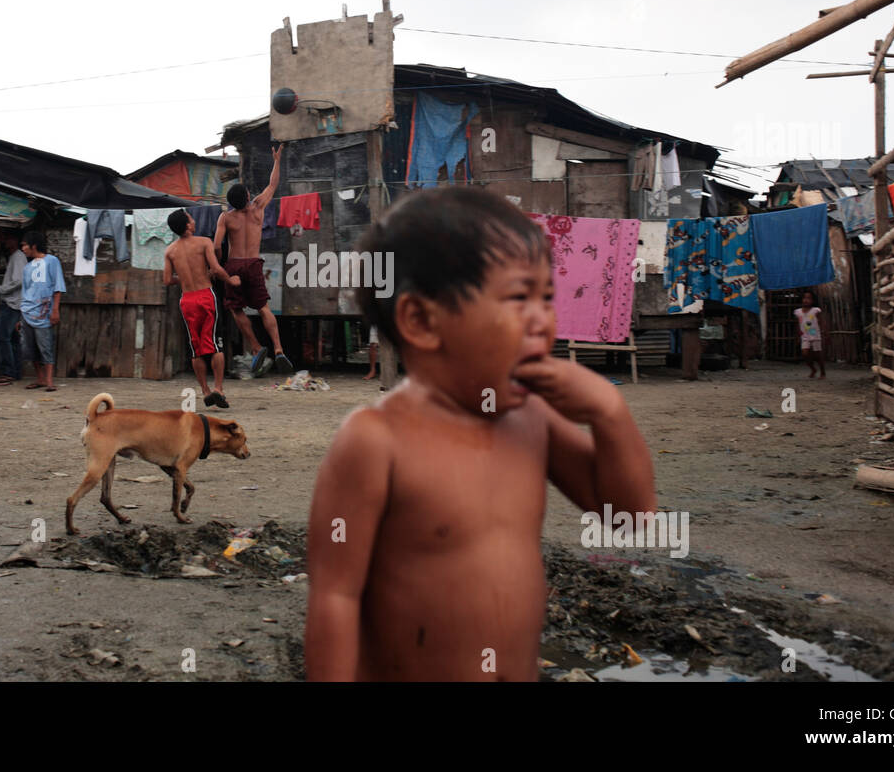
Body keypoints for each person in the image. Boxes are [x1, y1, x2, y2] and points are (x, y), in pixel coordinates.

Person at [303, 187, 656, 681]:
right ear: (422, 321)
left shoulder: (530, 418)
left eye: (547, 298)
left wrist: (609, 414)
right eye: (519, 298)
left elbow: (629, 518)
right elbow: (335, 597)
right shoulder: (377, 440)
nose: (543, 320)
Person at [214, 142, 292, 377]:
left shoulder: (225, 218)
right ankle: (278, 349)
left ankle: (257, 347)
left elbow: (216, 245)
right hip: (254, 263)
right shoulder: (258, 208)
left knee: (236, 309)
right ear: (248, 196)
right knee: (263, 307)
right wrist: (277, 161)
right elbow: (273, 184)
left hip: (234, 265)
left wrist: (220, 264)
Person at [163, 208, 242, 409]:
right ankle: (218, 389)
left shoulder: (170, 251)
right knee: (215, 344)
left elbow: (167, 280)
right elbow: (216, 269)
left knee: (196, 348)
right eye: (191, 218)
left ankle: (205, 391)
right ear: (187, 225)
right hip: (206, 296)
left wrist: (184, 278)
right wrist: (230, 280)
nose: (194, 220)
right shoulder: (204, 242)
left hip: (187, 300)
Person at [19, 232, 65, 392]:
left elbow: (58, 287)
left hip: (44, 312)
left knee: (46, 346)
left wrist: (55, 310)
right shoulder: (27, 267)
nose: (23, 249)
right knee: (30, 348)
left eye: (25, 245)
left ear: (34, 245)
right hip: (27, 311)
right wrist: (21, 313)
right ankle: (40, 379)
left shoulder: (52, 261)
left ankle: (50, 381)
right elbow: (25, 291)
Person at [0, 232, 27, 385]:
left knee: (3, 338)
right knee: (13, 339)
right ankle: (15, 372)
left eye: (6, 238)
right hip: (13, 302)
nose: (4, 241)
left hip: (12, 303)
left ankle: (7, 372)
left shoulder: (18, 257)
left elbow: (18, 281)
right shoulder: (15, 257)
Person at [794, 290, 828, 379]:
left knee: (818, 355)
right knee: (805, 353)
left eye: (809, 298)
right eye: (804, 298)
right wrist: (798, 335)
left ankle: (823, 372)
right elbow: (798, 324)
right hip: (804, 336)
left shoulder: (815, 310)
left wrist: (824, 331)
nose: (806, 300)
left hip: (815, 335)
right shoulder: (798, 312)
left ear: (813, 300)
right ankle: (813, 369)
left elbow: (821, 321)